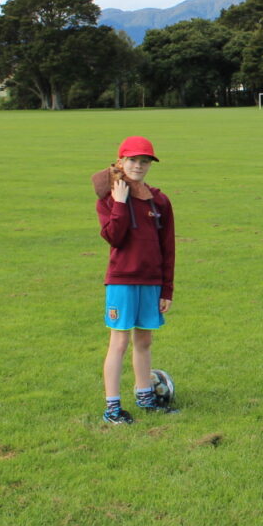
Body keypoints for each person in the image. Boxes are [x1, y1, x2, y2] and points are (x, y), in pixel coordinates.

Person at [92, 136, 176, 423]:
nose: (139, 166)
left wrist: (167, 288)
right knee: (119, 343)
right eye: (133, 160)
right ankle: (112, 409)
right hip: (121, 281)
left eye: (144, 161)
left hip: (151, 282)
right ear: (121, 162)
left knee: (144, 341)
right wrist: (119, 203)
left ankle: (145, 397)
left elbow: (168, 248)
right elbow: (113, 237)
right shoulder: (108, 199)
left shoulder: (160, 201)